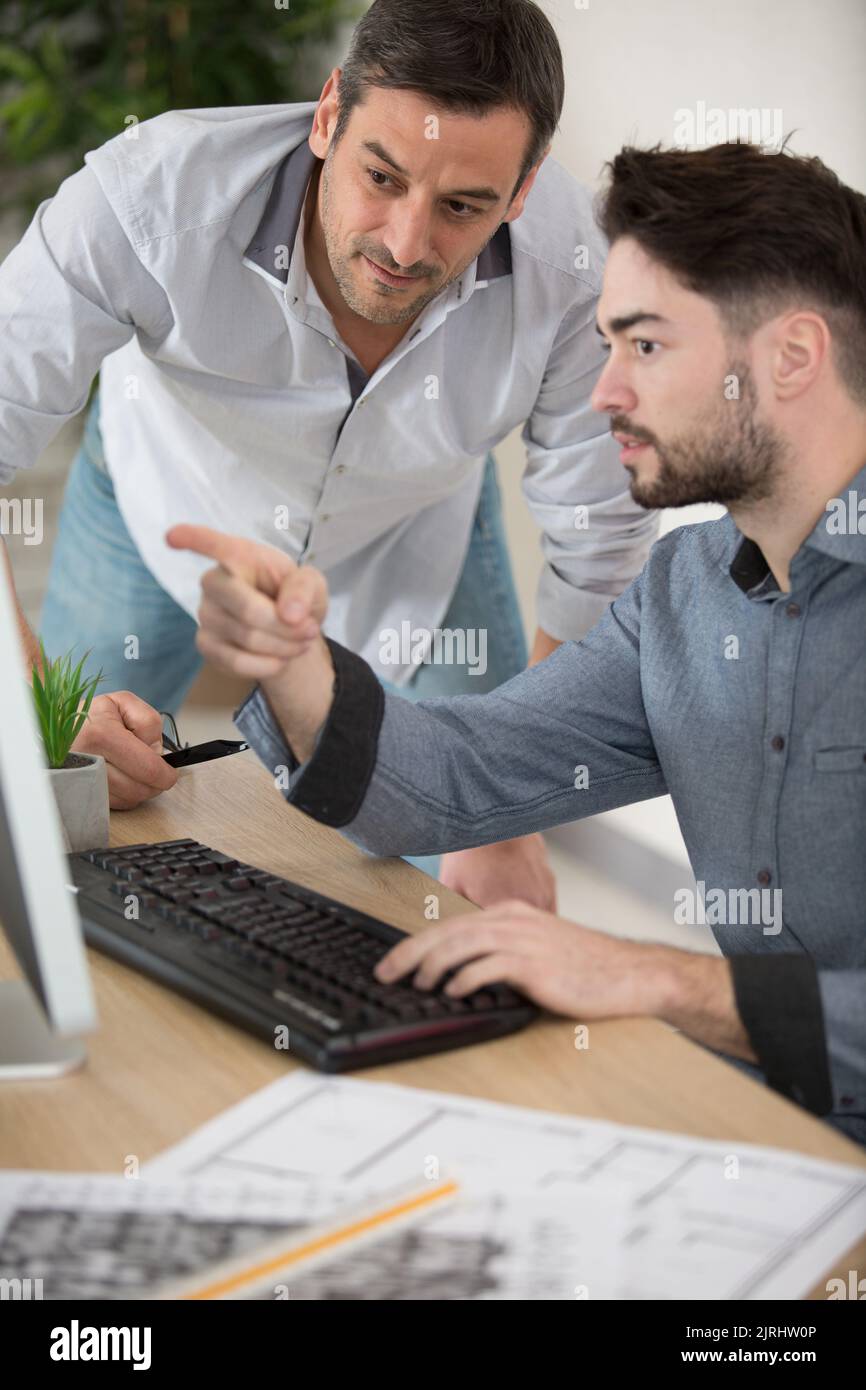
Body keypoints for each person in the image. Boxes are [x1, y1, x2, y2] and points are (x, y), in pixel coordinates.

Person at [169, 140, 866, 1146]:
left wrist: (658, 975)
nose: (603, 393)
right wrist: (293, 662)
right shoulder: (682, 594)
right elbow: (460, 775)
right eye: (605, 344)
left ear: (790, 358)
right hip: (771, 1130)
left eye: (646, 346)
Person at [0, 0, 655, 902]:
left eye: (463, 206)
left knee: (482, 882)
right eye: (382, 178)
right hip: (162, 501)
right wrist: (38, 711)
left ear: (526, 188)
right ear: (327, 113)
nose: (405, 244)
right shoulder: (147, 200)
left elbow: (600, 559)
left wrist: (515, 807)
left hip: (415, 527)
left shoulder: (581, 280)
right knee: (56, 806)